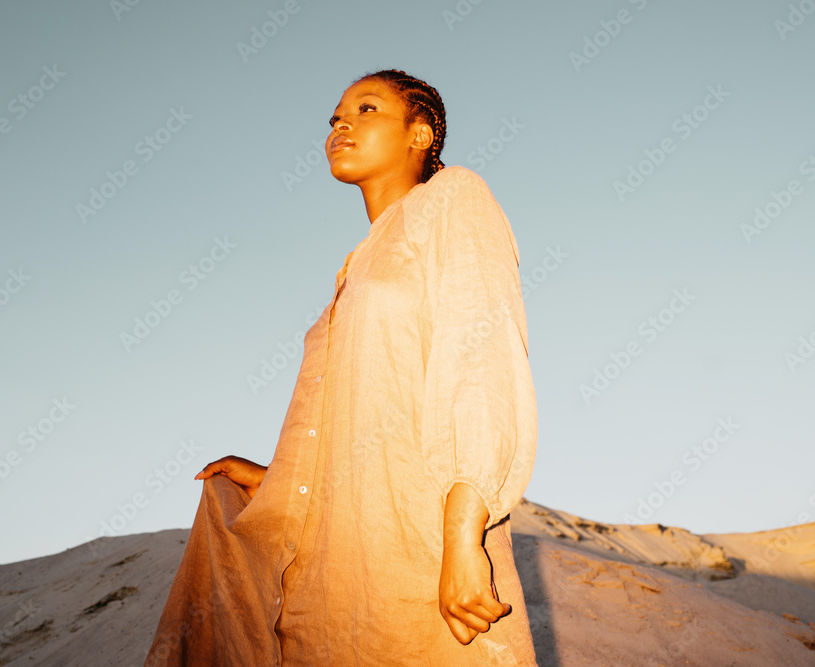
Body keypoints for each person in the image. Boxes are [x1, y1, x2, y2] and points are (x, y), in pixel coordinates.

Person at [145, 68, 539, 666]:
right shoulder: (355, 266)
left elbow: (480, 360)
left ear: (420, 133)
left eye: (367, 109)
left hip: (419, 552)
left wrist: (463, 539)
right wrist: (280, 475)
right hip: (336, 575)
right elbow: (366, 408)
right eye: (334, 118)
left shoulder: (452, 199)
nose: (341, 125)